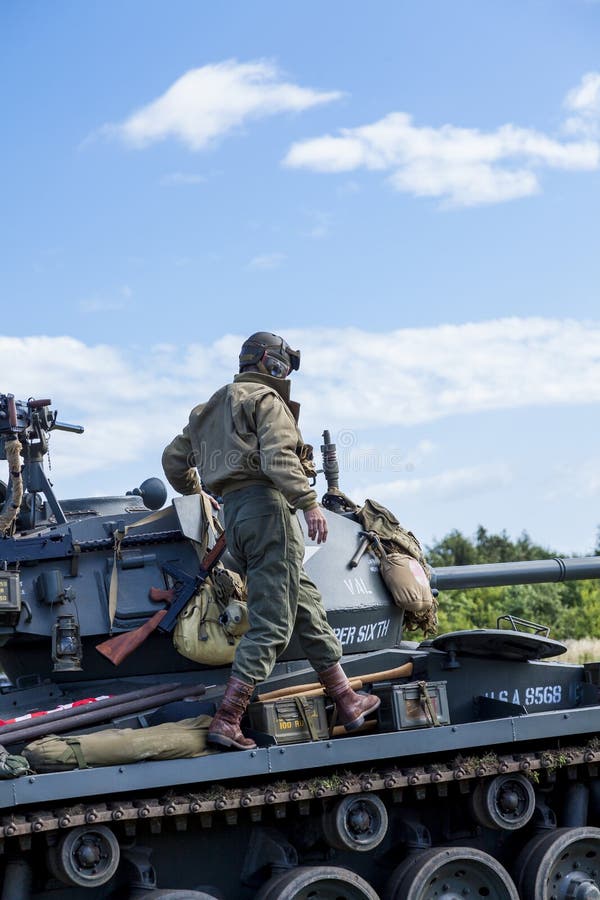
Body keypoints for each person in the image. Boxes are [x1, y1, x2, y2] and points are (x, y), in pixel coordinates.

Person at [162, 331, 380, 750]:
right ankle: (228, 719)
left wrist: (198, 490)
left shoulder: (206, 410)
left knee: (306, 606)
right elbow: (279, 457)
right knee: (272, 626)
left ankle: (347, 699)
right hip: (269, 512)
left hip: (235, 519)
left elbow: (173, 461)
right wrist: (310, 503)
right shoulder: (265, 401)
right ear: (271, 364)